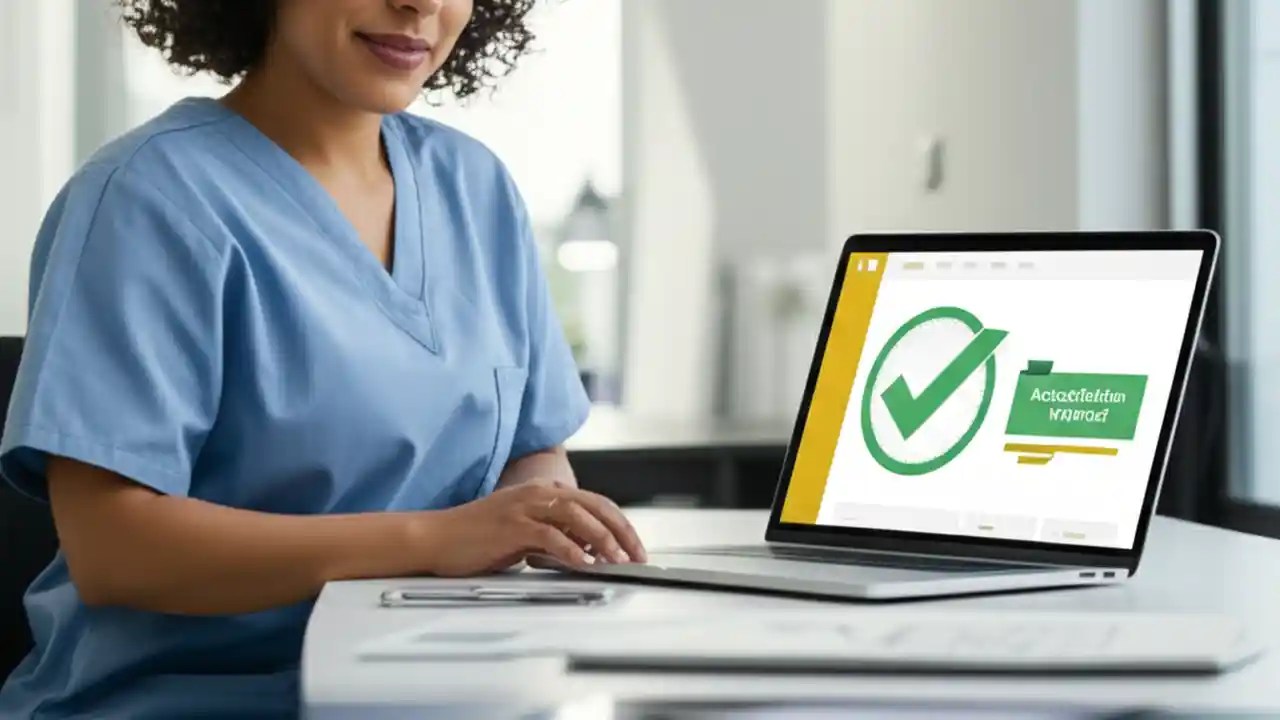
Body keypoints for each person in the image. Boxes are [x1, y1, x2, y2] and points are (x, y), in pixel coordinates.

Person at [0, 0, 647, 717]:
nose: (421, 4)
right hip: (193, 701)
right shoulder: (149, 197)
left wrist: (544, 525)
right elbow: (113, 549)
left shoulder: (476, 187)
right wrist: (434, 540)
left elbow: (532, 451)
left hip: (426, 687)